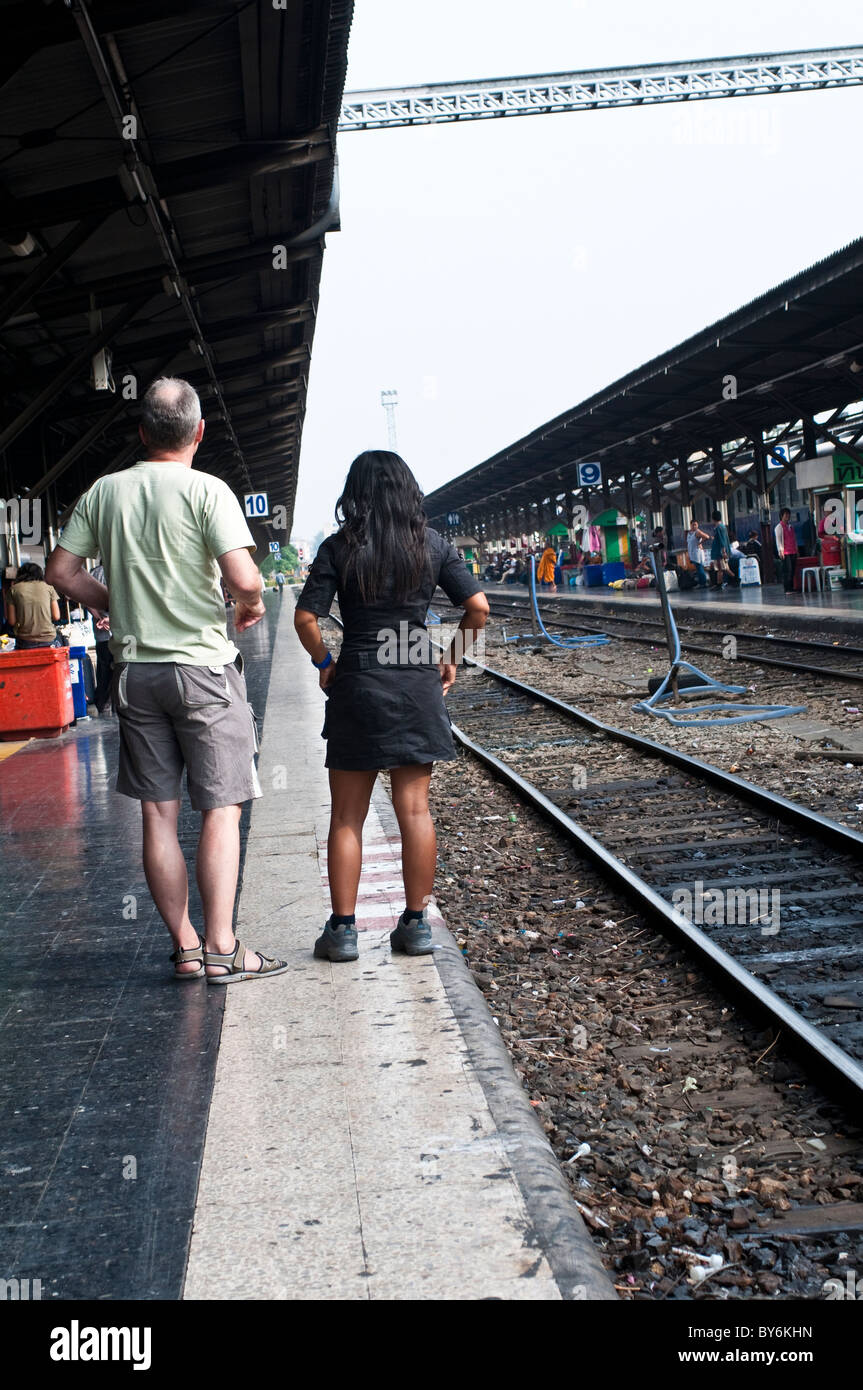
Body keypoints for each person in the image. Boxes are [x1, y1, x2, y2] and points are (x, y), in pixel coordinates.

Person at [45, 376, 286, 985]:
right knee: (221, 811)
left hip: (135, 676)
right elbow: (246, 579)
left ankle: (184, 948)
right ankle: (223, 949)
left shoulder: (106, 491)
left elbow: (60, 571)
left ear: (142, 433)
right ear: (199, 432)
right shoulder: (209, 491)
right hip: (202, 671)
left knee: (158, 814)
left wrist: (114, 603)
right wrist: (250, 605)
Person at [293, 449, 489, 964]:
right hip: (415, 681)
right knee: (415, 811)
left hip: (357, 680)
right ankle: (416, 925)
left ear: (355, 494)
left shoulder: (339, 547)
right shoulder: (432, 545)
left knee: (346, 819)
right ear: (409, 492)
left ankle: (342, 932)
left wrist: (325, 664)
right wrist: (451, 659)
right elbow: (478, 609)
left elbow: (305, 619)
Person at [6, 562, 61, 648]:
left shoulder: (13, 590)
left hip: (25, 641)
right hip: (49, 639)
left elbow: (12, 621)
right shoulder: (49, 588)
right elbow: (56, 616)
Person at [87, 560, 113, 713]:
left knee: (104, 670)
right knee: (123, 669)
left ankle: (102, 704)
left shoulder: (94, 574)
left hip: (101, 631)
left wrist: (98, 618)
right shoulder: (120, 570)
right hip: (122, 632)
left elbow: (86, 599)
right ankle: (119, 704)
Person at [774, 507, 798, 592]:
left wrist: (796, 549)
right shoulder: (779, 527)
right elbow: (778, 540)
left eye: (788, 514)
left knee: (792, 570)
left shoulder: (790, 526)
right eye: (786, 514)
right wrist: (780, 551)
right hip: (786, 552)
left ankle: (791, 587)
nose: (788, 516)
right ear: (781, 516)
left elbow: (794, 538)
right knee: (787, 570)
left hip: (793, 551)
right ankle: (787, 589)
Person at [709, 510, 732, 587]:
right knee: (725, 568)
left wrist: (723, 551)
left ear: (713, 518)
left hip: (719, 552)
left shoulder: (718, 528)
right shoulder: (722, 527)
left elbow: (722, 540)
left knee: (720, 569)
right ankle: (736, 579)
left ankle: (719, 585)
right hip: (720, 551)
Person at [686, 518, 710, 588]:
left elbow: (707, 537)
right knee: (698, 568)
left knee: (699, 568)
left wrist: (700, 543)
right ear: (690, 525)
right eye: (693, 525)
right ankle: (701, 582)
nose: (694, 526)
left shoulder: (697, 532)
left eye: (695, 525)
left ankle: (703, 583)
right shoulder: (689, 533)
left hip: (697, 553)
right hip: (692, 553)